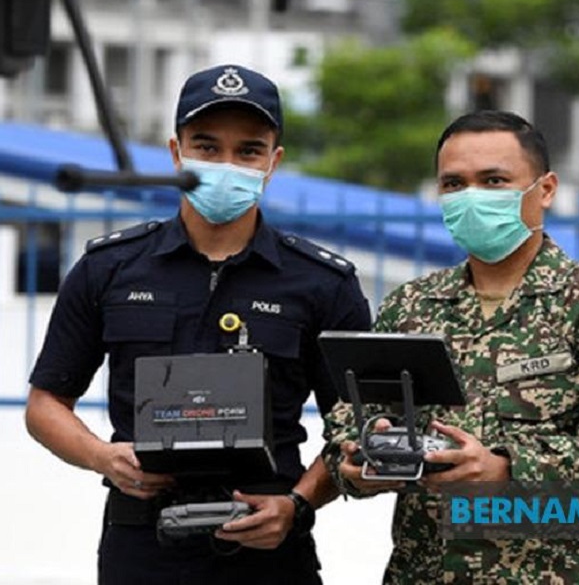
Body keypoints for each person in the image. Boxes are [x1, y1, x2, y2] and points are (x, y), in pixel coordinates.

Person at [26, 64, 372, 584]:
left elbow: (357, 425)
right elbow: (45, 404)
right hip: (142, 546)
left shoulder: (323, 283)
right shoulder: (109, 268)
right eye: (207, 148)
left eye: (248, 151)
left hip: (270, 551)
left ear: (273, 162)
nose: (226, 164)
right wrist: (102, 457)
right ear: (175, 153)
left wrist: (298, 504)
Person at [321, 110, 579, 583]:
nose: (472, 198)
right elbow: (349, 420)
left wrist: (504, 468)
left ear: (544, 189)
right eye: (454, 184)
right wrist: (355, 461)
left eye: (494, 180)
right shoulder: (412, 306)